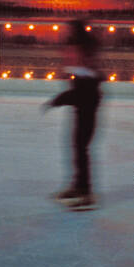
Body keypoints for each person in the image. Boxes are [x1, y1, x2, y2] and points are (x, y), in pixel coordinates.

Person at [45, 21, 103, 211]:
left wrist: (58, 100)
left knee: (81, 149)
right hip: (85, 107)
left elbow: (82, 92)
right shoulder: (83, 57)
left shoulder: (82, 58)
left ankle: (85, 192)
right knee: (78, 148)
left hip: (87, 108)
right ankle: (78, 187)